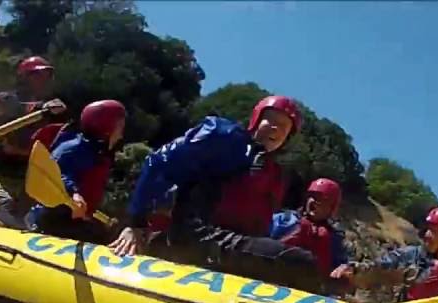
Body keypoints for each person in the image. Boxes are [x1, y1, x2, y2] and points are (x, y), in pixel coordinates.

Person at [106, 95, 326, 293]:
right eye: (271, 120)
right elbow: (157, 163)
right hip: (199, 237)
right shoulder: (223, 136)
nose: (276, 129)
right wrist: (136, 224)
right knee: (300, 262)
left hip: (231, 245)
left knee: (296, 259)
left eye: (284, 127)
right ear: (256, 119)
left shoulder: (273, 175)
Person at [0, 55, 68, 227]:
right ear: (24, 78)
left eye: (46, 76)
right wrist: (39, 109)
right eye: (37, 76)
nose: (43, 81)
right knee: (5, 204)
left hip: (24, 177)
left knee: (43, 214)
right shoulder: (5, 99)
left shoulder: (51, 108)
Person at [25, 99, 127, 245]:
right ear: (106, 128)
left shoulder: (97, 153)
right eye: (119, 128)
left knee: (106, 234)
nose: (121, 135)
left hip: (75, 219)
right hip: (52, 220)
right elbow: (59, 172)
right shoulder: (73, 148)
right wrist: (74, 193)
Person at [269, 177, 350, 281]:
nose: (313, 201)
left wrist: (344, 269)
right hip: (272, 278)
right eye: (312, 196)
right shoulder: (283, 219)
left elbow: (343, 264)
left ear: (332, 207)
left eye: (322, 199)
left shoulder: (335, 238)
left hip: (310, 286)